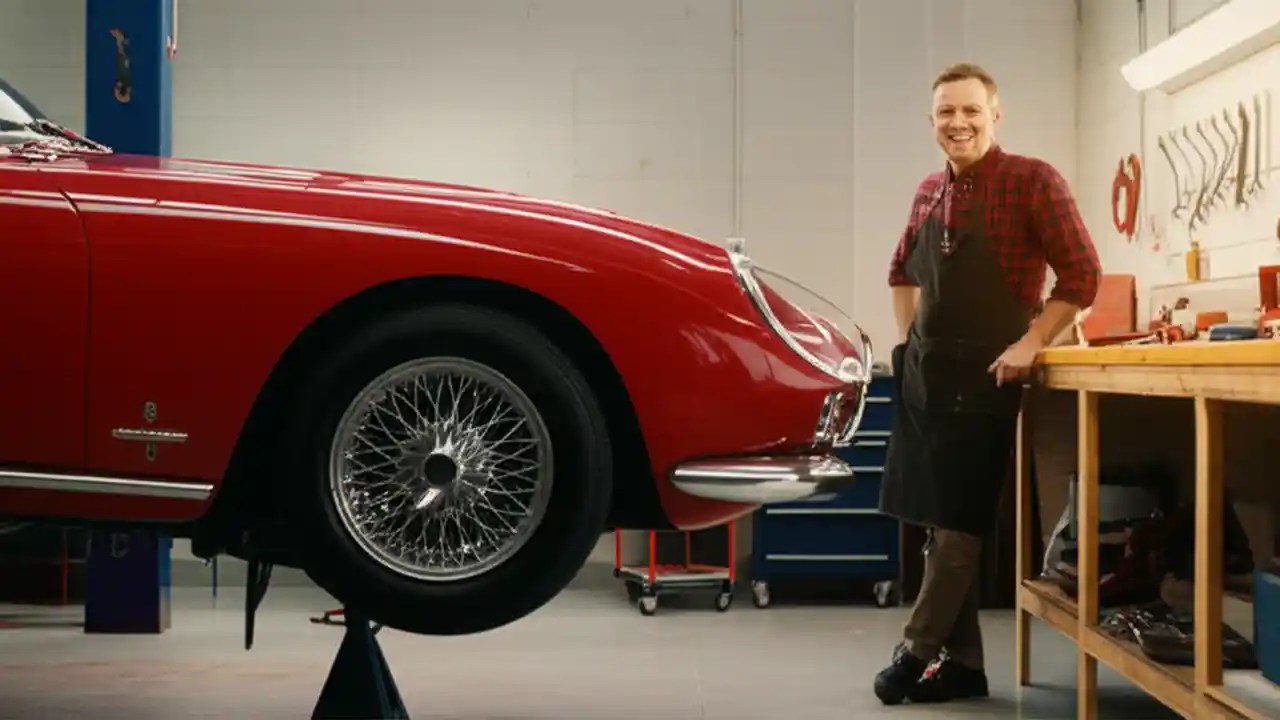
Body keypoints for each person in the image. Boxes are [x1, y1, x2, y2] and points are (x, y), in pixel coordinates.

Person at [873, 62, 1101, 705]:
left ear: (995, 115)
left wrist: (1030, 343)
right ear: (932, 122)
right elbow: (901, 274)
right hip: (926, 376)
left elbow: (1082, 277)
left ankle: (916, 648)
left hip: (986, 379)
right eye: (947, 112)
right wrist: (909, 345)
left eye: (971, 111)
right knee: (933, 522)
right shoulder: (928, 192)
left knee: (958, 525)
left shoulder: (1032, 181)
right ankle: (964, 666)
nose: (959, 123)